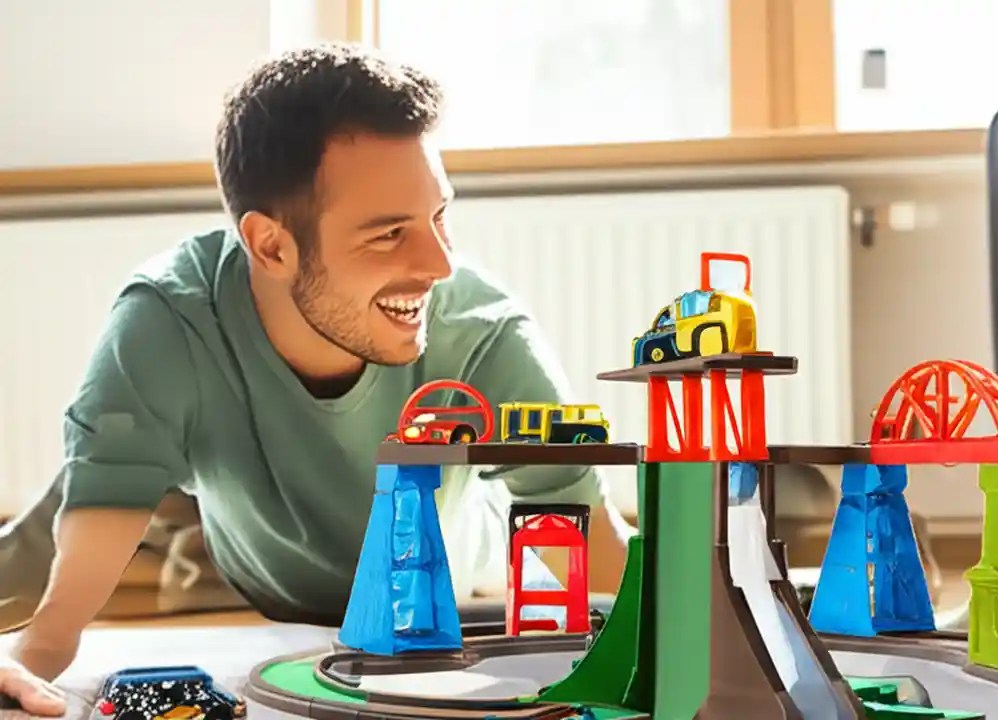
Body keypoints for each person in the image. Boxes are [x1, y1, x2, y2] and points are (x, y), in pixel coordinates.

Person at [0, 42, 631, 715]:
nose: (439, 265)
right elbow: (96, 517)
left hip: (450, 578)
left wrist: (671, 651)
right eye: (390, 234)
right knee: (83, 503)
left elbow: (588, 529)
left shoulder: (485, 334)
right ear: (271, 244)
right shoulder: (167, 317)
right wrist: (33, 660)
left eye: (440, 217)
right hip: (230, 552)